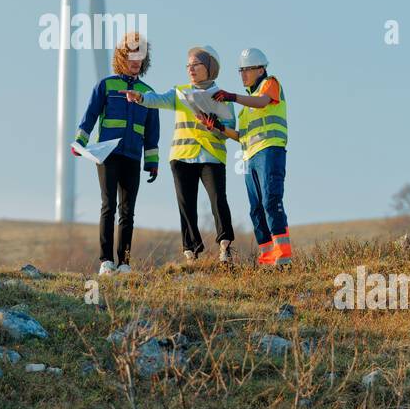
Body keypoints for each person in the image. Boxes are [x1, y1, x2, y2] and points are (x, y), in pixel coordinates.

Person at [125, 45, 237, 263]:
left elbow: (230, 130)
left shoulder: (222, 96)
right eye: (188, 65)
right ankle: (190, 251)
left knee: (218, 201)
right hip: (181, 156)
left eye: (196, 64)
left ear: (210, 67)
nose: (190, 69)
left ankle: (225, 247)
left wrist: (215, 126)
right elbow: (156, 99)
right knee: (186, 205)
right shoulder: (180, 92)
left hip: (211, 156)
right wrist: (140, 97)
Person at [73, 32, 160, 275]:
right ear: (122, 57)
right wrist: (80, 142)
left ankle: (124, 263)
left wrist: (152, 162)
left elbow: (152, 133)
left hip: (133, 156)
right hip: (107, 154)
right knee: (108, 205)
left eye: (140, 57)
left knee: (128, 211)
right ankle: (105, 261)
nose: (135, 61)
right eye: (131, 56)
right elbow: (90, 116)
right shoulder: (105, 85)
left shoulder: (148, 93)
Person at [211, 48, 291, 266]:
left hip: (270, 150)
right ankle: (267, 257)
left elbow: (263, 101)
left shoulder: (270, 83)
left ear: (261, 69)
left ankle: (283, 257)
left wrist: (232, 97)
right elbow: (241, 136)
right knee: (256, 209)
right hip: (250, 156)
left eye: (247, 69)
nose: (243, 74)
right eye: (241, 70)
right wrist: (218, 128)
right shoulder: (246, 106)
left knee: (270, 201)